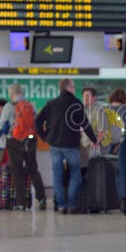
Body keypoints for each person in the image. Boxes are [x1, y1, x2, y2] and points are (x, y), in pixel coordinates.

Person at [36, 79, 98, 214]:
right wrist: (93, 139)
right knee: (75, 174)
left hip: (55, 146)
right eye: (74, 86)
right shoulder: (76, 103)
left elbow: (38, 121)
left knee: (57, 175)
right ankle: (71, 204)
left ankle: (62, 205)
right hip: (71, 145)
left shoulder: (51, 104)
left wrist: (45, 136)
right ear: (68, 87)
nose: (75, 89)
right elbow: (85, 123)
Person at [0, 84, 47, 211]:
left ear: (11, 94)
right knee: (33, 169)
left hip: (14, 140)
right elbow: (36, 123)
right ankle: (42, 198)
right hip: (30, 139)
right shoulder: (31, 105)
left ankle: (21, 203)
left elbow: (1, 125)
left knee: (17, 171)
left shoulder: (9, 106)